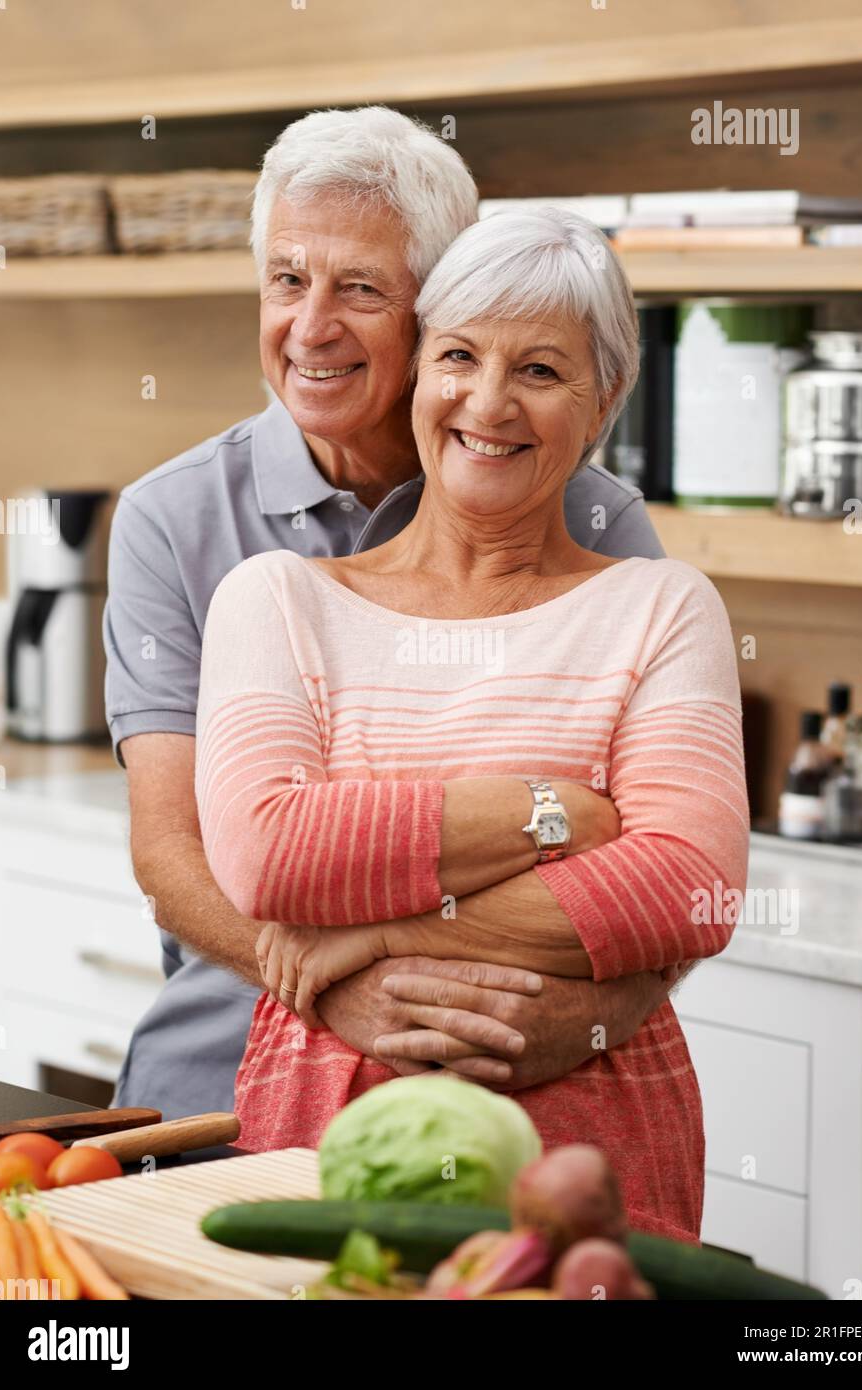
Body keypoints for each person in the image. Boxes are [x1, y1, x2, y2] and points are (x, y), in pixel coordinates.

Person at [104, 105, 669, 1123]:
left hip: (503, 1087)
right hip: (221, 1079)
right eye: (286, 279)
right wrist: (335, 985)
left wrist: (591, 1016)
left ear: (433, 305)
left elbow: (666, 869)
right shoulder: (172, 519)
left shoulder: (590, 519)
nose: (309, 327)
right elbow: (171, 853)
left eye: (359, 289)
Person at [194, 206, 749, 1240]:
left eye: (539, 370)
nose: (487, 402)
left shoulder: (662, 609)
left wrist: (365, 931)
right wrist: (549, 815)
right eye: (457, 355)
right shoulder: (275, 602)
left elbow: (688, 883)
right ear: (417, 374)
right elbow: (268, 858)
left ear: (605, 399)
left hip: (596, 1153)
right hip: (329, 1132)